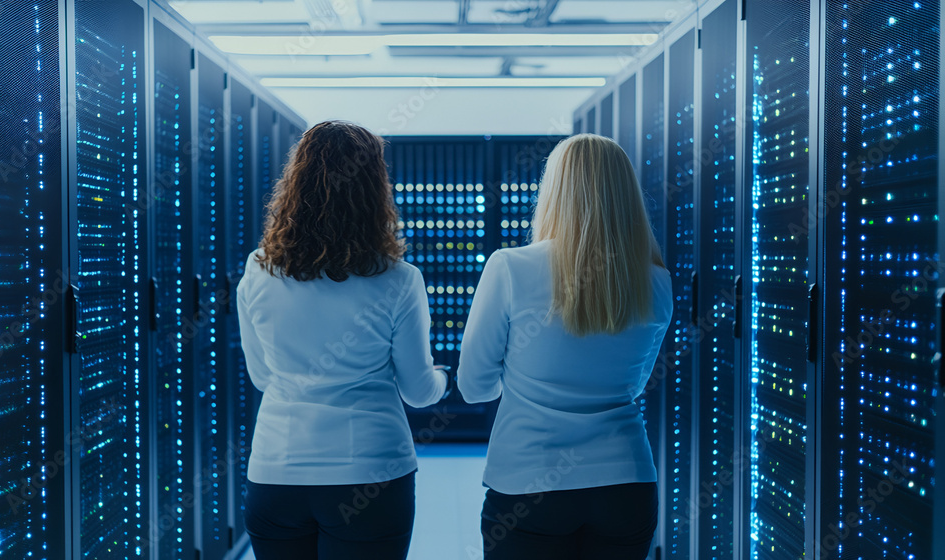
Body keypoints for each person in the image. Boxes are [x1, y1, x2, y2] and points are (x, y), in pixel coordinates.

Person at [237, 120, 448, 560]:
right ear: (375, 189)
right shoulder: (399, 279)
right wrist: (444, 378)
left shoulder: (258, 270)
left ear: (294, 183)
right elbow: (418, 392)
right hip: (371, 475)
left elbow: (261, 378)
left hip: (278, 473)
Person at [457, 134, 672, 560]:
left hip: (528, 485)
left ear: (554, 190)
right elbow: (634, 384)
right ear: (625, 193)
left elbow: (473, 386)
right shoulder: (657, 281)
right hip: (626, 483)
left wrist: (521, 381)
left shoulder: (511, 267)